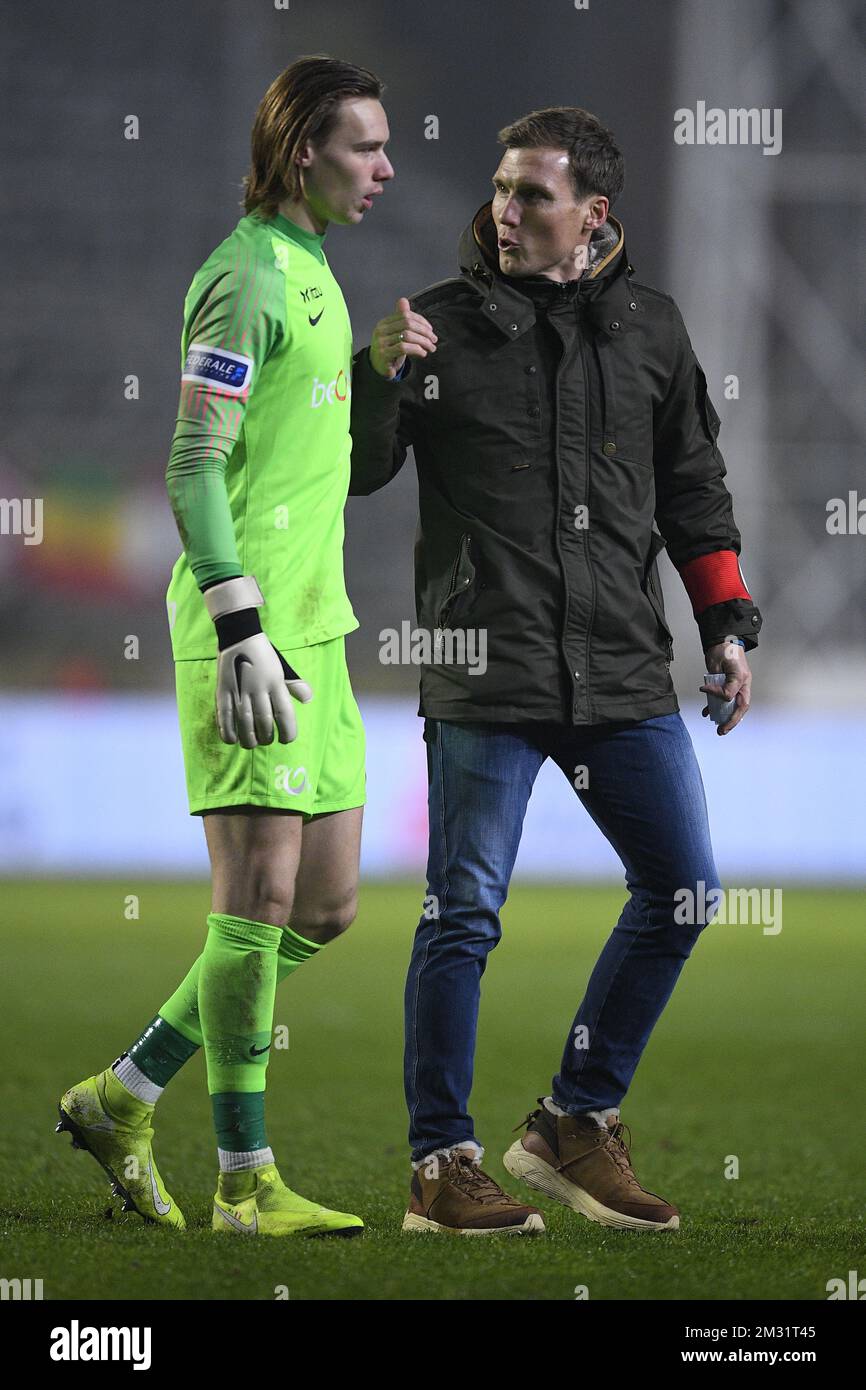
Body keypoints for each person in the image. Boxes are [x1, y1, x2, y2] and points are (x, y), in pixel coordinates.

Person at [349, 105, 762, 1236]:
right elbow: (358, 472)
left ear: (593, 214)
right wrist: (377, 373)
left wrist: (724, 621)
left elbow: (692, 488)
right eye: (498, 187)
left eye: (532, 193)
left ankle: (572, 1120)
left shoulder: (652, 329)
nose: (505, 209)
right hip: (486, 668)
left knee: (682, 889)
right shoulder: (433, 325)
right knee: (462, 913)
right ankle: (441, 1163)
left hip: (622, 667)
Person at [57, 55, 394, 1238]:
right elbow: (195, 461)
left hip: (323, 629)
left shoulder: (313, 269)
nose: (386, 167)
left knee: (330, 903)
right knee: (253, 901)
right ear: (303, 150)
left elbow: (288, 440)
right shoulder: (242, 276)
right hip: (250, 630)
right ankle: (245, 1180)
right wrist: (241, 621)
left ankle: (125, 1091)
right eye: (365, 146)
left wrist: (371, 374)